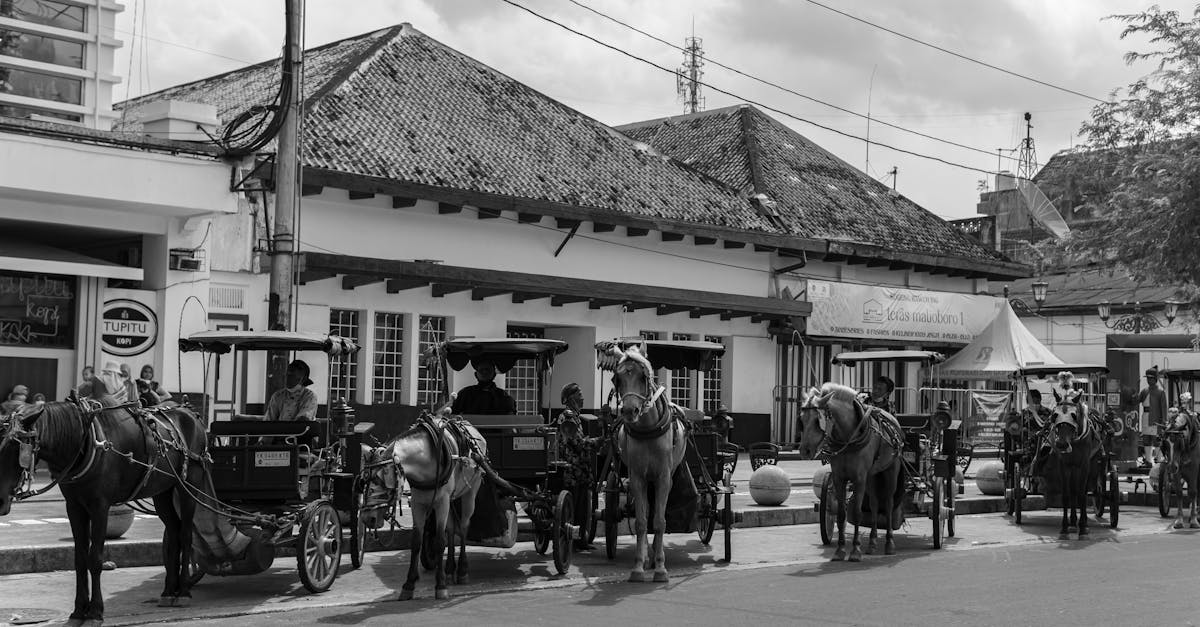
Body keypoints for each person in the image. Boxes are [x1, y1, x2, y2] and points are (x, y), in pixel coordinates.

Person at [554, 383, 604, 550]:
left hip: (580, 469)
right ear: (571, 399)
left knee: (583, 507)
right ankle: (574, 541)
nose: (583, 398)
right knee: (576, 508)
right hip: (573, 470)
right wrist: (599, 442)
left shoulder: (574, 416)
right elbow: (578, 443)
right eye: (579, 395)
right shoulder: (568, 417)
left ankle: (580, 540)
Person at [451, 359, 516, 415]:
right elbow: (453, 413)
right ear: (476, 374)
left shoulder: (504, 397)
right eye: (481, 370)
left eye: (488, 370)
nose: (484, 372)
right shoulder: (465, 394)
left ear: (494, 374)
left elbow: (510, 419)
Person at [1137, 366, 1169, 468]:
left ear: (1155, 379)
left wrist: (1164, 421)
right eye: (1147, 378)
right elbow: (1137, 400)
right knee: (1146, 439)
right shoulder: (1144, 390)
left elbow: (1164, 408)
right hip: (1145, 417)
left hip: (1156, 418)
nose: (1148, 380)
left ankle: (1159, 461)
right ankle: (1148, 460)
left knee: (1157, 440)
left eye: (1151, 378)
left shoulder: (1161, 392)